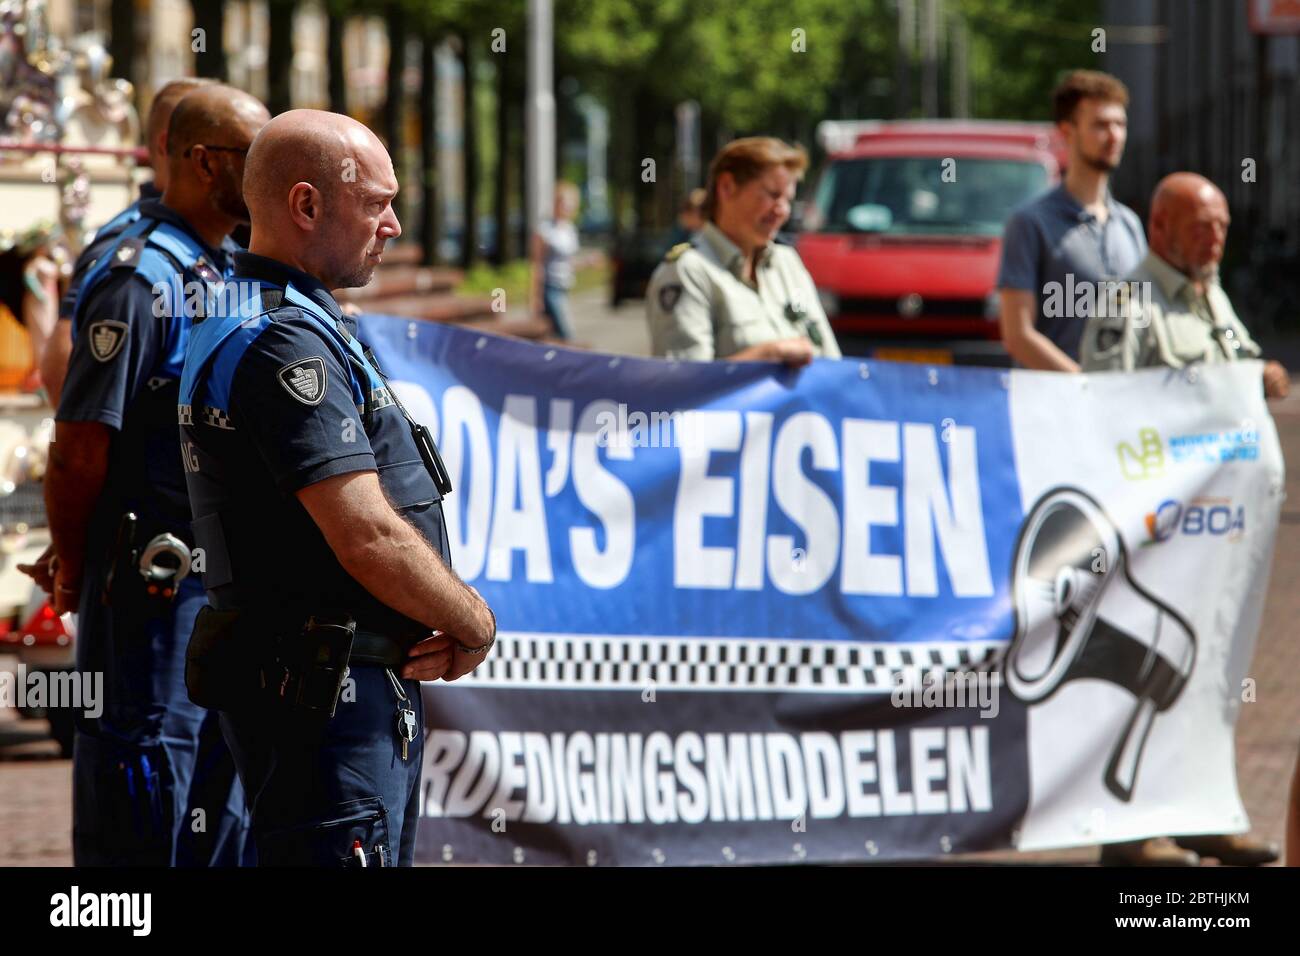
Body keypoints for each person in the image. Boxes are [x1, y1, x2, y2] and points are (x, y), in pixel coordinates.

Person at [178, 109, 496, 867]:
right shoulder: (283, 338)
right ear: (307, 205)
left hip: (326, 690)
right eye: (375, 204)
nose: (391, 224)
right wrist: (474, 621)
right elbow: (366, 532)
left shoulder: (277, 315)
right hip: (325, 702)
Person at [42, 83, 270, 867]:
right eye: (255, 157)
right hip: (153, 588)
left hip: (229, 583)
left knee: (221, 787)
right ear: (207, 163)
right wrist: (76, 563)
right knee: (147, 773)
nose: (269, 173)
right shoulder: (142, 278)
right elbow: (78, 446)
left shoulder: (231, 259)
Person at [1082, 172, 1285, 867]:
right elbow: (1106, 402)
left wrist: (1262, 376)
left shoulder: (1212, 293)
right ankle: (1130, 835)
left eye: (1223, 224)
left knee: (1213, 672)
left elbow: (1236, 368)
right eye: (1202, 225)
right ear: (1161, 228)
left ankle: (1201, 813)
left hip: (1218, 530)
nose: (1216, 236)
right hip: (1155, 529)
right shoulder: (1127, 302)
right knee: (1149, 672)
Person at [42, 77, 217, 407]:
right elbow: (59, 373)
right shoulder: (124, 244)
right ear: (167, 145)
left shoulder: (220, 235)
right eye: (221, 147)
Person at [997, 70, 1146, 370]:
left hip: (1121, 404)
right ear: (1067, 132)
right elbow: (1017, 335)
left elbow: (1143, 319)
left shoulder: (1129, 224)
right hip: (1051, 408)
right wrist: (1083, 387)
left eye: (1120, 124)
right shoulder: (1029, 223)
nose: (1114, 135)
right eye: (1101, 125)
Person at [645, 137, 839, 366]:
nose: (783, 210)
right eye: (773, 195)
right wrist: (768, 356)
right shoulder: (688, 272)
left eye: (788, 199)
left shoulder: (787, 263)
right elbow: (683, 386)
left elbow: (832, 362)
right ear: (727, 187)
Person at [533, 181, 580, 340]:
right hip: (550, 288)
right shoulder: (545, 229)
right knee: (567, 335)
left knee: (551, 335)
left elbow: (569, 263)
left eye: (570, 204)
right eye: (563, 203)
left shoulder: (570, 229)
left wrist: (588, 262)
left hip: (565, 286)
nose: (567, 207)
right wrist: (536, 296)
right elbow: (537, 264)